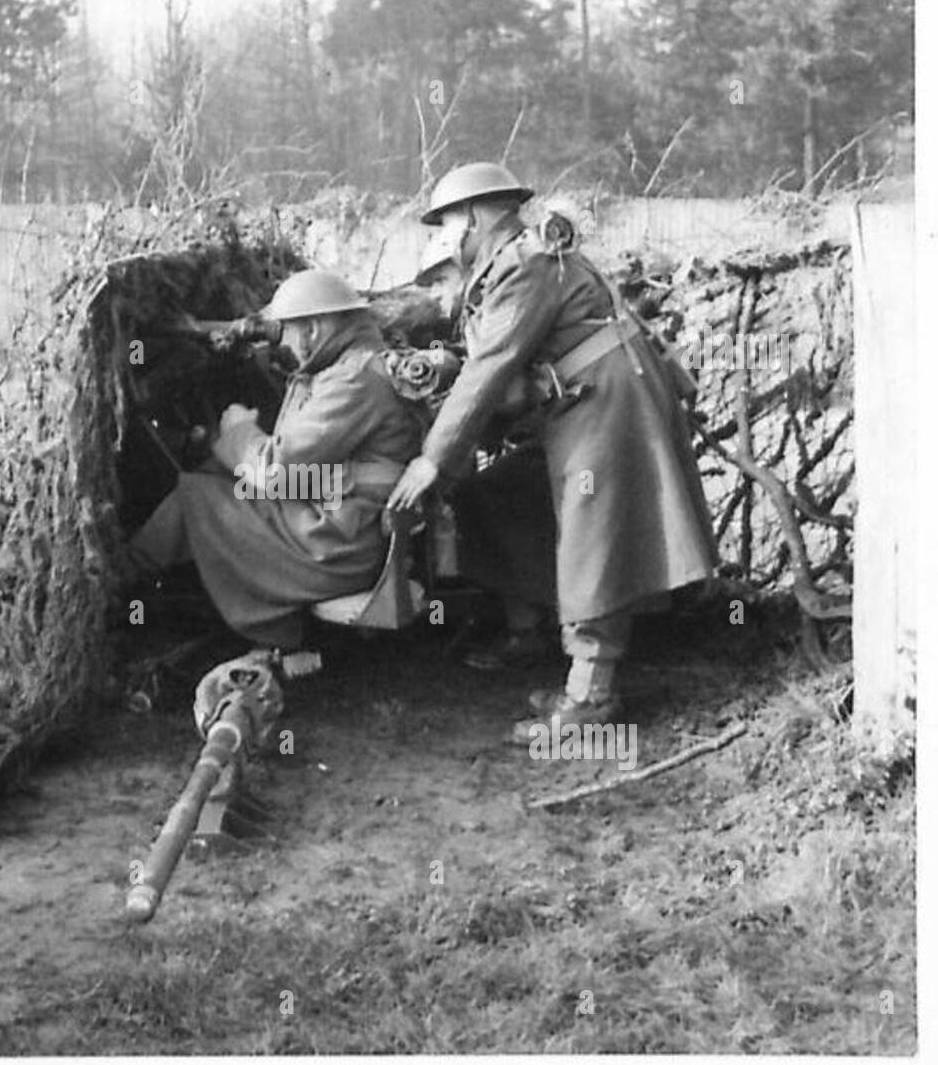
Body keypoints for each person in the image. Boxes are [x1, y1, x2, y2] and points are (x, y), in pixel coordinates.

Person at [389, 162, 719, 738]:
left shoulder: (523, 264)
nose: (445, 238)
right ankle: (534, 631)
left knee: (590, 533)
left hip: (604, 402)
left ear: (473, 216)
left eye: (446, 223)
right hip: (588, 399)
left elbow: (491, 367)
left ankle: (592, 697)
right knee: (503, 495)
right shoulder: (520, 263)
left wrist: (431, 459)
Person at [130, 269, 423, 649]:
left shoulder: (353, 379)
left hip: (336, 547)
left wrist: (238, 430)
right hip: (338, 520)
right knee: (216, 483)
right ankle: (144, 575)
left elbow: (276, 470)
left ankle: (123, 583)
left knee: (195, 496)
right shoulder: (353, 364)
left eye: (288, 330)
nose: (285, 343)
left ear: (314, 328)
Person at [412, 230, 559, 669]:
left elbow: (508, 393)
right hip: (555, 431)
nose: (438, 295)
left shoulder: (495, 301)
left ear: (461, 271)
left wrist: (456, 421)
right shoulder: (486, 305)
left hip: (557, 436)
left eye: (440, 281)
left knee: (480, 496)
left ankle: (526, 628)